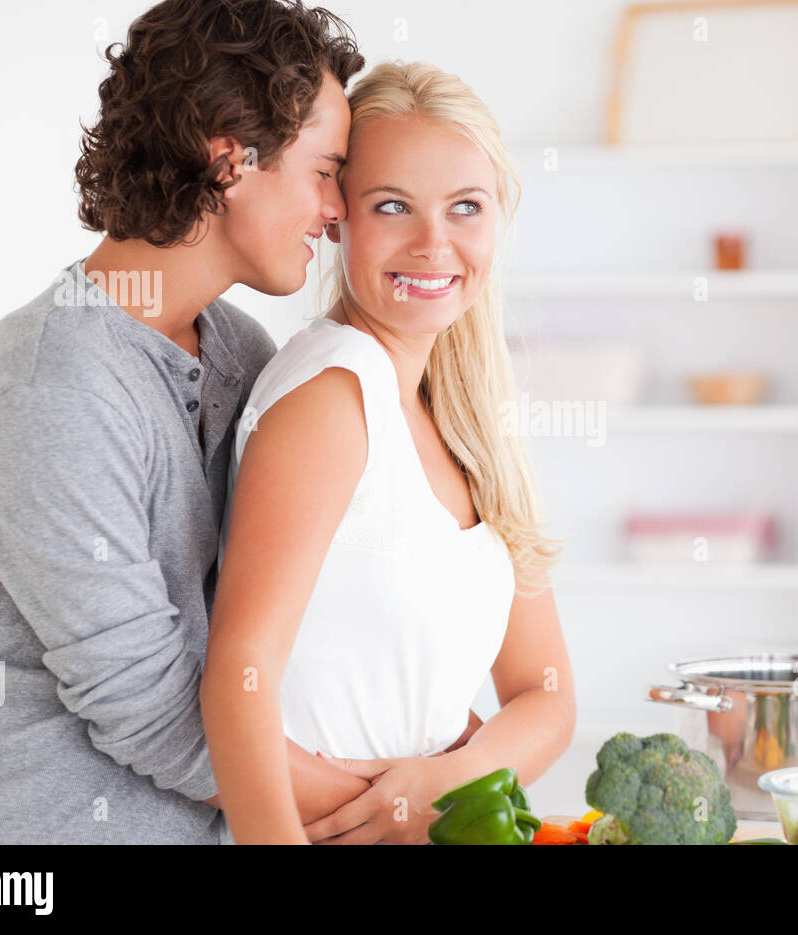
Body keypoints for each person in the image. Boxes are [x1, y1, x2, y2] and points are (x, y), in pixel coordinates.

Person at [0, 0, 367, 844]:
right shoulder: (50, 389)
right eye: (324, 170)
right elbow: (156, 716)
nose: (338, 208)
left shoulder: (241, 351)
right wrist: (388, 797)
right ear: (230, 162)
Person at [202, 61, 576, 844]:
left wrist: (440, 783)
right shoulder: (330, 398)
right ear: (339, 216)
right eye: (394, 206)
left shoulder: (465, 414)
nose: (433, 245)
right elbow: (239, 678)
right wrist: (391, 800)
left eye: (465, 208)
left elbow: (545, 693)